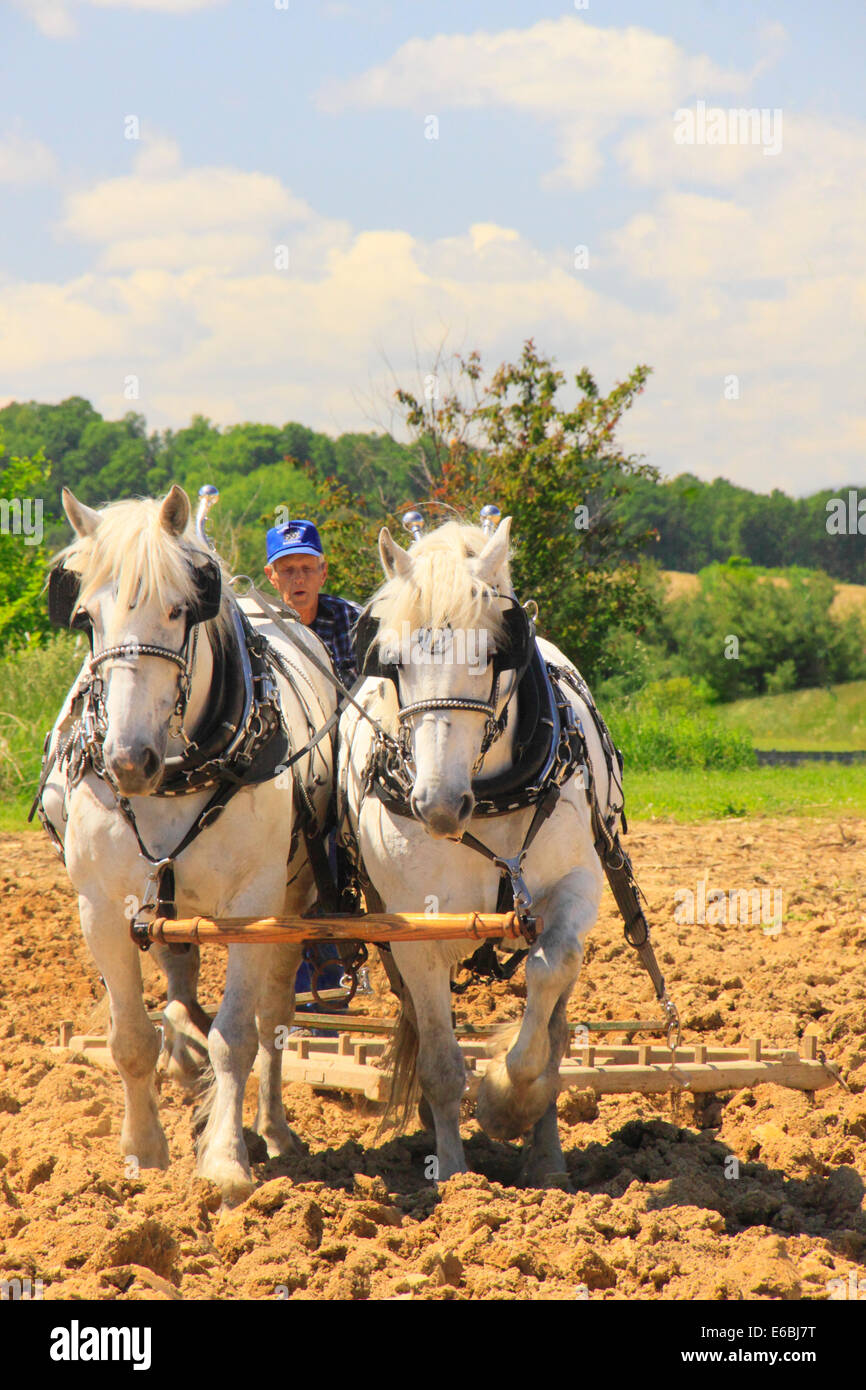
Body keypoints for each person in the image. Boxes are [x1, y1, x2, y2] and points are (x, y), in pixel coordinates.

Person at [264, 519, 366, 1023]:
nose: (297, 578)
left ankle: (332, 979)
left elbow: (370, 698)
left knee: (335, 858)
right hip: (278, 767)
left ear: (323, 572)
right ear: (271, 576)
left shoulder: (352, 621)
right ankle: (289, 984)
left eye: (307, 567)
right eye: (288, 570)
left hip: (343, 758)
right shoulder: (258, 630)